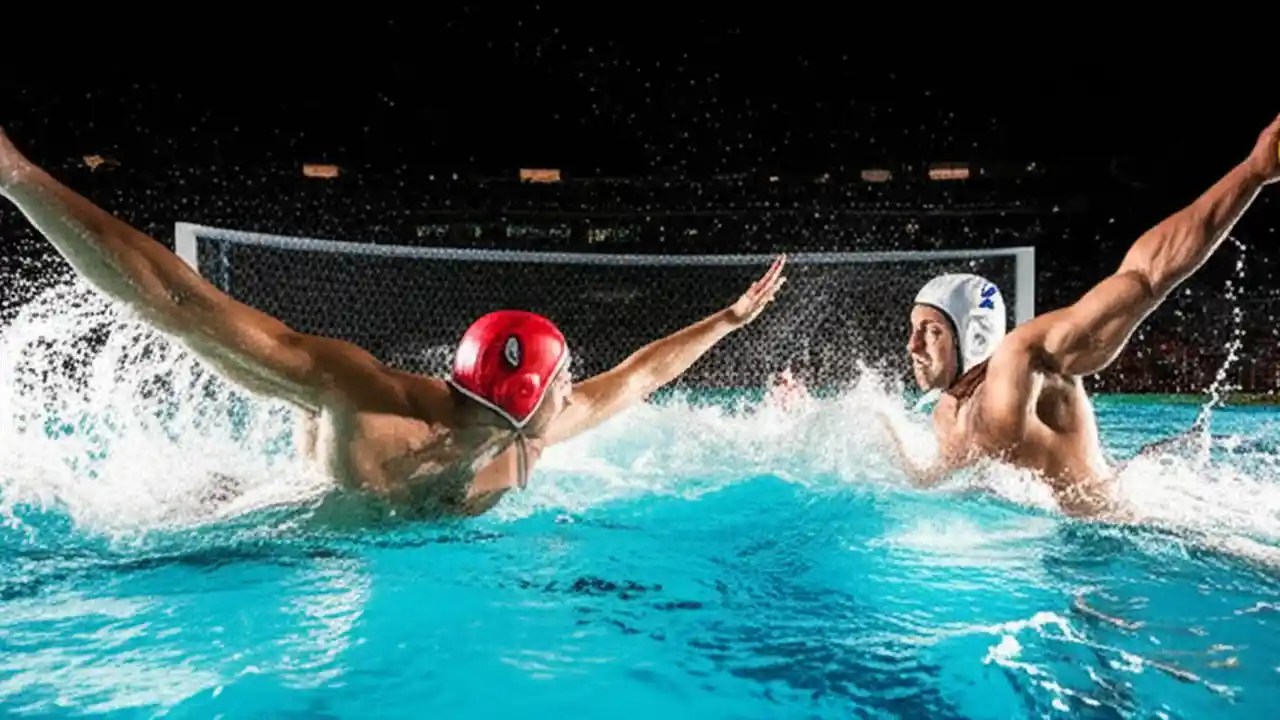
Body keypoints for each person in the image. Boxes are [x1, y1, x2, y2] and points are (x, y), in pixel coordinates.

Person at [0, 127, 787, 518]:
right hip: (270, 525)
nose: (578, 390)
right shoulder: (358, 394)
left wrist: (728, 318)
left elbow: (644, 374)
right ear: (527, 394)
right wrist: (20, 177)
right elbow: (178, 302)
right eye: (566, 378)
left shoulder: (530, 428)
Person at [884, 114, 1280, 517]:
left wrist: (1252, 173)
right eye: (913, 330)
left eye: (930, 331)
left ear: (971, 334)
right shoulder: (944, 415)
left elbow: (1145, 276)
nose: (912, 345)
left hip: (1109, 539)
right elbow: (942, 486)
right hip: (1040, 557)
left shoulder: (1025, 358)